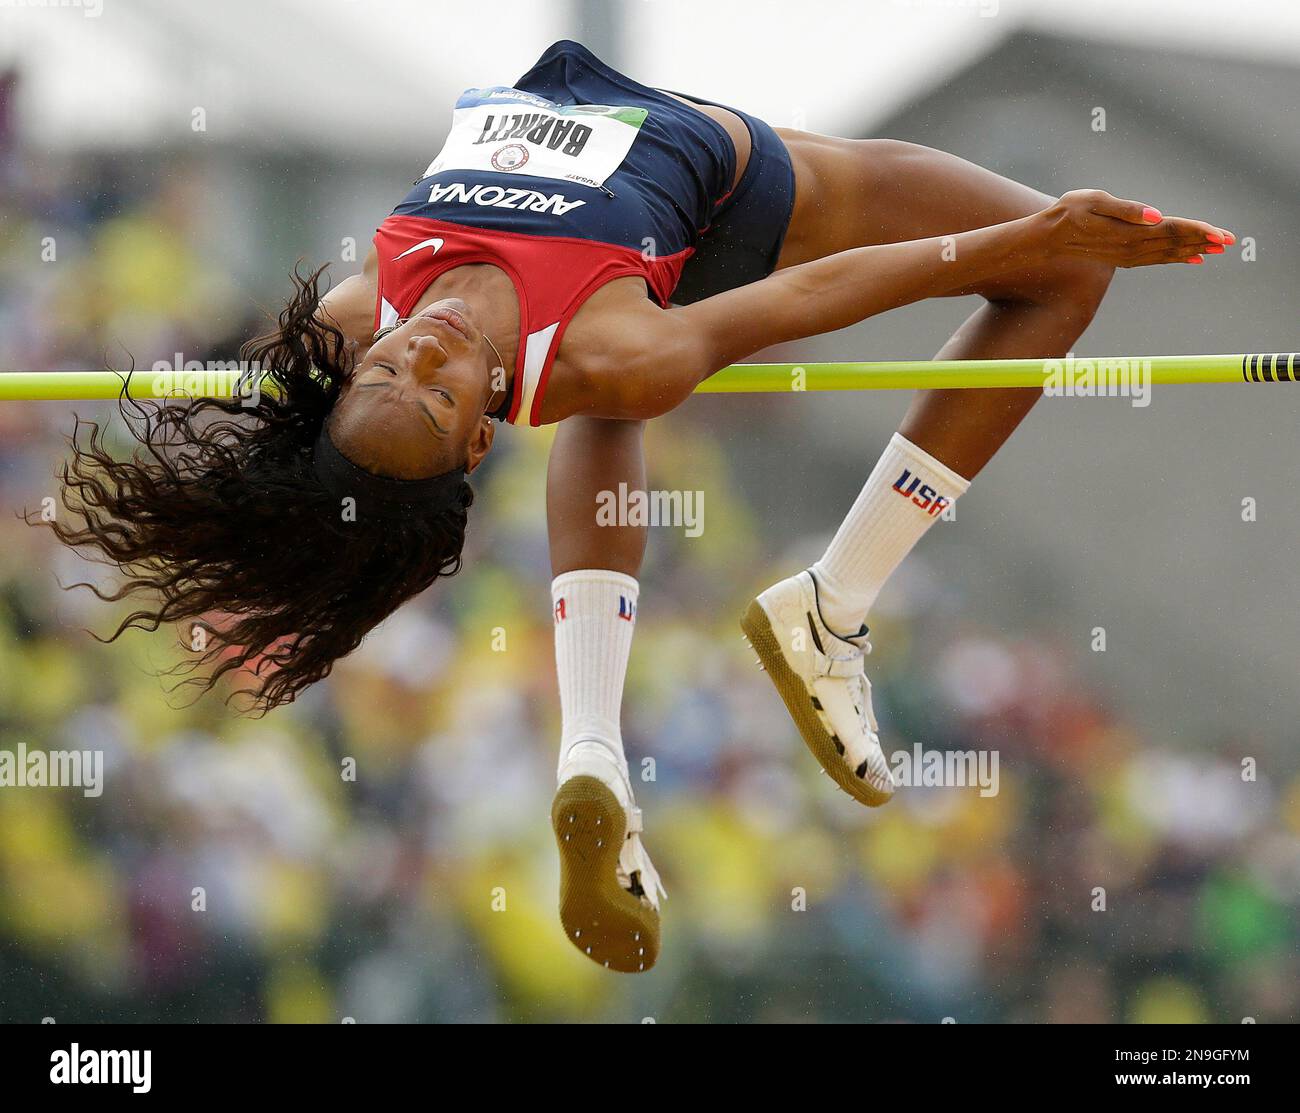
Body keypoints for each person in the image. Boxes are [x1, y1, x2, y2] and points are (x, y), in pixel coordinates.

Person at [49, 40, 1230, 973]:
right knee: (1064, 273)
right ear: (476, 432)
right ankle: (835, 601)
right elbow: (816, 293)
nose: (423, 350)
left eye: (389, 368)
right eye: (440, 385)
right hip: (749, 199)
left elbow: (270, 389)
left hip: (637, 201)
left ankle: (593, 750)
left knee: (598, 391)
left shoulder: (367, 305)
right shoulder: (612, 348)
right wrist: (1026, 235)